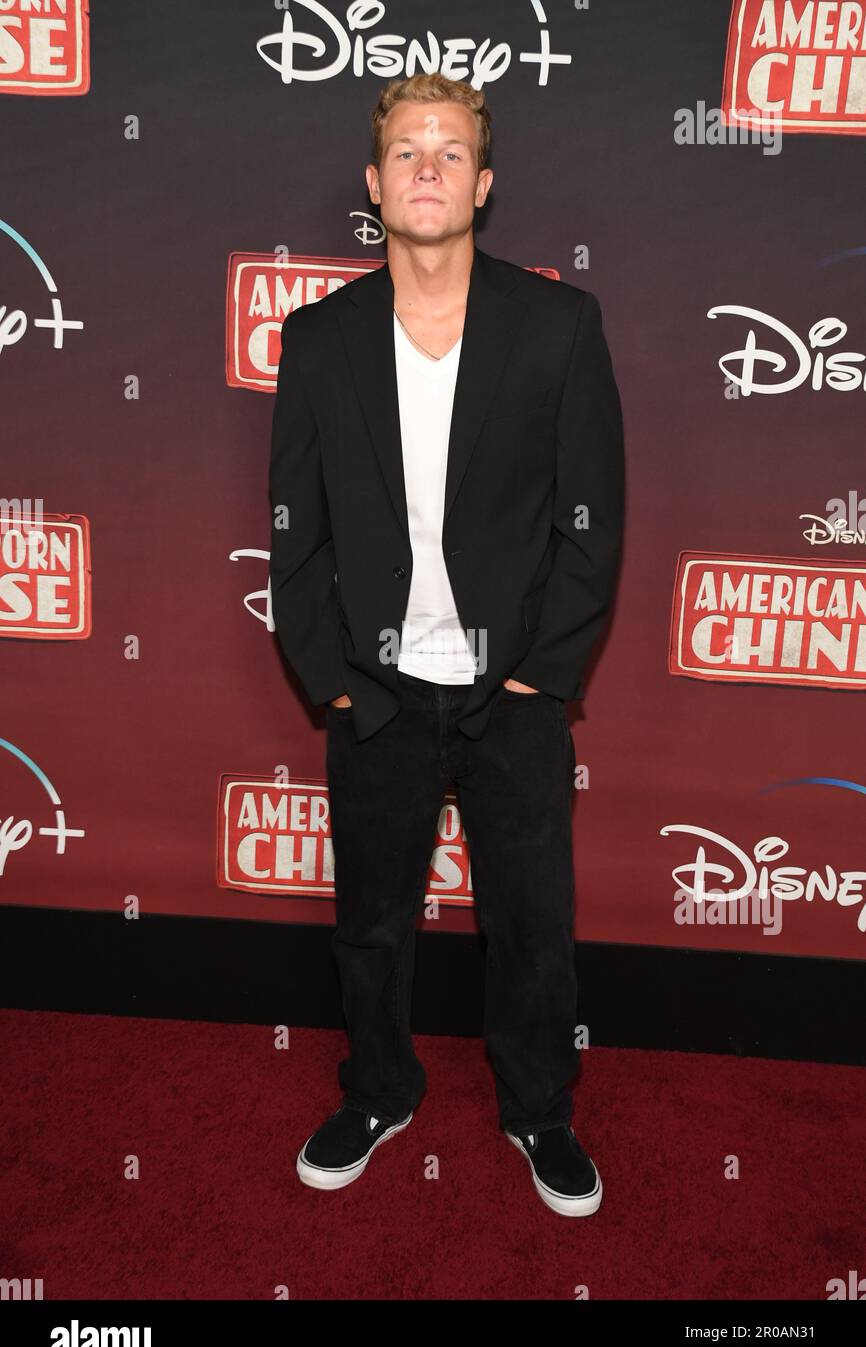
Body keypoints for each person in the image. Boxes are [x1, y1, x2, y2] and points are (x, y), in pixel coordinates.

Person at [268, 72, 624, 1216]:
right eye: (407, 149)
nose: (428, 164)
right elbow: (292, 528)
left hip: (509, 690)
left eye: (450, 147)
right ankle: (376, 1086)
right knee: (368, 923)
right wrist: (331, 683)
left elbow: (591, 520)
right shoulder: (318, 340)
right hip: (375, 690)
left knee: (531, 923)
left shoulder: (558, 325)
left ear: (482, 180)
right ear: (374, 187)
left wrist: (537, 675)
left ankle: (538, 1109)